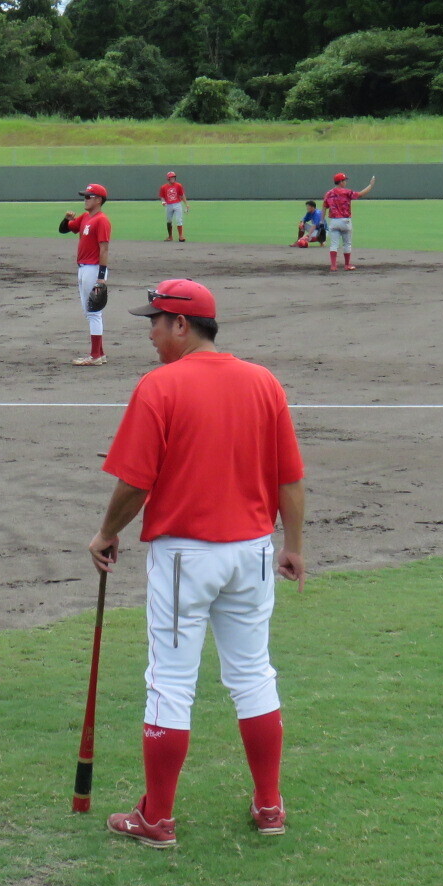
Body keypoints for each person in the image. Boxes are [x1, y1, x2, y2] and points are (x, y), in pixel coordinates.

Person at [88, 278, 306, 849]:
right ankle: (269, 806)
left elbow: (135, 483)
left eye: (155, 323)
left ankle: (157, 818)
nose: (151, 334)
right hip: (254, 553)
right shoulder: (263, 382)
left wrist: (107, 533)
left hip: (186, 557)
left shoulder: (160, 386)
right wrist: (294, 545)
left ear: (181, 325)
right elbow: (289, 477)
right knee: (253, 675)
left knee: (170, 682)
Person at [57, 183, 113, 366]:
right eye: (85, 196)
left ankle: (95, 356)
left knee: (93, 312)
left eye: (89, 196)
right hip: (83, 269)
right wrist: (66, 219)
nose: (85, 199)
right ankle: (100, 354)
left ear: (98, 200)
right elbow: (64, 229)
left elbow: (104, 248)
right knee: (89, 312)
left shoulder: (102, 220)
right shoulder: (85, 217)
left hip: (93, 269)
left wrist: (101, 277)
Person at [322, 172, 375, 271]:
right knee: (347, 244)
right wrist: (370, 186)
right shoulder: (346, 192)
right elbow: (360, 194)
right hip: (345, 221)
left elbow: (324, 207)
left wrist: (322, 220)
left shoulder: (329, 193)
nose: (345, 182)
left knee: (334, 244)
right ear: (341, 182)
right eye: (344, 180)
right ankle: (347, 265)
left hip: (334, 221)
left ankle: (333, 266)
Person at [159, 171, 189, 243]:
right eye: (171, 177)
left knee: (179, 220)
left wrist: (186, 204)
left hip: (177, 204)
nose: (173, 178)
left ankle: (181, 236)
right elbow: (162, 196)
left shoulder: (178, 185)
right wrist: (163, 202)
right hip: (168, 205)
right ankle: (170, 236)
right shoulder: (163, 187)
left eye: (173, 177)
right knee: (169, 220)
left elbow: (182, 195)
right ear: (168, 178)